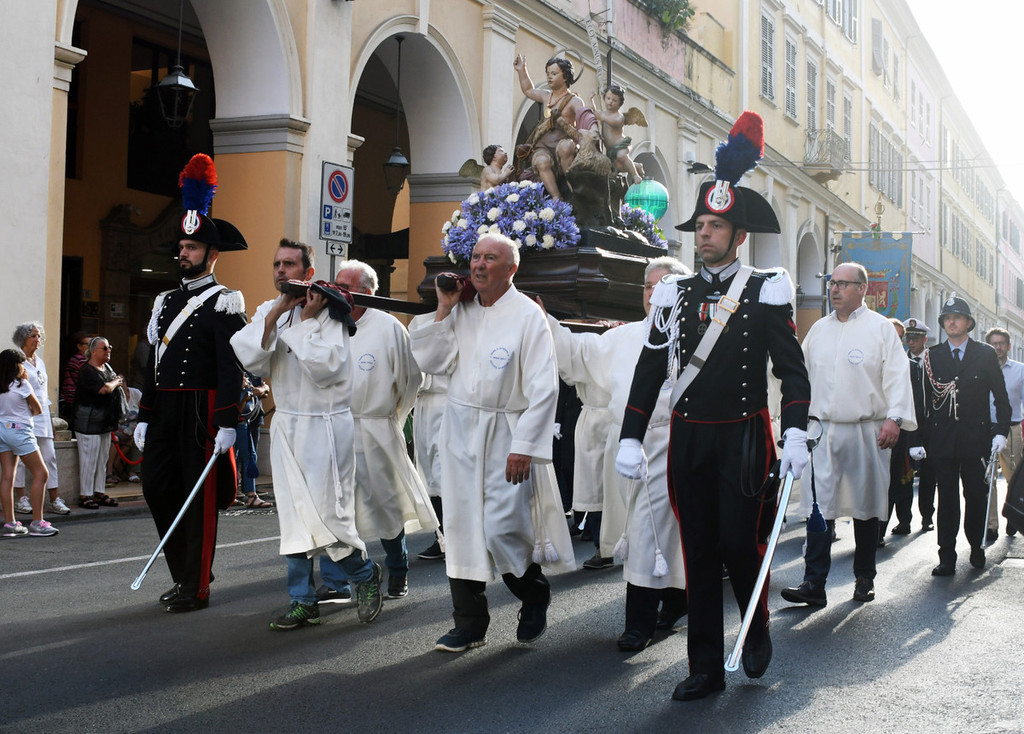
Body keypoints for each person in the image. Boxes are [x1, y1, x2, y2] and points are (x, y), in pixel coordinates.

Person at [616, 111, 811, 701]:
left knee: (738, 543)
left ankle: (754, 629)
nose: (703, 234)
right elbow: (651, 366)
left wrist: (796, 430)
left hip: (746, 437)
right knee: (698, 547)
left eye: (715, 226)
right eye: (699, 224)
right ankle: (702, 663)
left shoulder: (765, 286)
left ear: (737, 235)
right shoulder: (672, 291)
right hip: (689, 436)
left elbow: (791, 368)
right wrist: (630, 434)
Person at [410, 233, 575, 653]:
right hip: (461, 429)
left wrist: (525, 445)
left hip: (506, 432)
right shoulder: (460, 309)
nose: (479, 265)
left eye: (490, 258)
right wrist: (444, 308)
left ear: (511, 269)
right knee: (461, 527)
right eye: (475, 257)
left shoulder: (527, 316)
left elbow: (544, 388)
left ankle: (533, 593)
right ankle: (469, 624)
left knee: (504, 528)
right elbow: (430, 361)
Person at [231, 239, 384, 630]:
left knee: (329, 515)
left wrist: (306, 322)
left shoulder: (332, 312)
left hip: (325, 425)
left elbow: (328, 367)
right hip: (286, 425)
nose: (281, 271)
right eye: (277, 264)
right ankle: (302, 600)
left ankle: (364, 575)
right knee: (293, 517)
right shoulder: (271, 309)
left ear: (308, 272)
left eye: (290, 264)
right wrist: (277, 317)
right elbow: (252, 358)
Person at [543, 255, 691, 651]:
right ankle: (639, 623)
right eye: (648, 286)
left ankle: (677, 602)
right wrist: (542, 321)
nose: (653, 294)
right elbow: (578, 355)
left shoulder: (698, 334)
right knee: (644, 533)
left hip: (688, 445)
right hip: (639, 447)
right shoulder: (623, 338)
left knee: (686, 535)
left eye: (664, 285)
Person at [133, 153, 248, 613]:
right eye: (181, 247)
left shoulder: (225, 302)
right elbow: (149, 362)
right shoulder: (163, 301)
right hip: (164, 411)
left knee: (197, 500)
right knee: (157, 487)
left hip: (202, 410)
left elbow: (229, 367)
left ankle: (195, 587)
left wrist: (227, 422)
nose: (183, 253)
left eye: (192, 248)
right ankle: (186, 570)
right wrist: (143, 414)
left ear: (211, 255)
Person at [780, 263, 916, 607]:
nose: (834, 289)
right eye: (831, 283)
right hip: (822, 431)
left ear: (862, 289)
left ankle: (864, 577)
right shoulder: (819, 331)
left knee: (865, 505)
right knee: (818, 505)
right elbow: (798, 378)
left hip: (866, 431)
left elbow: (898, 376)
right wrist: (792, 423)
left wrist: (894, 419)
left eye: (843, 283)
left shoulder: (881, 330)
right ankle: (814, 582)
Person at [333, 260, 437, 600]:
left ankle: (398, 568)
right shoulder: (329, 322)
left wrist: (393, 415)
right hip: (338, 427)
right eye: (336, 285)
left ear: (368, 292)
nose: (338, 292)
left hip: (377, 426)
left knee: (387, 502)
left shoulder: (390, 327)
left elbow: (411, 378)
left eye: (346, 287)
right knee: (339, 505)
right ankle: (353, 576)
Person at [915, 296, 1010, 575]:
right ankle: (946, 555)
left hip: (976, 439)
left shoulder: (984, 354)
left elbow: (1001, 399)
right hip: (942, 440)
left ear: (969, 323)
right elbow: (921, 403)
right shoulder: (932, 356)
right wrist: (917, 441)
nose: (951, 322)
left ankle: (976, 546)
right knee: (946, 499)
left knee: (977, 496)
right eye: (946, 318)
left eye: (957, 317)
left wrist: (1001, 432)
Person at [11, 323, 70, 517]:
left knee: (49, 457)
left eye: (38, 336)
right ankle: (21, 499)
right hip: (23, 415)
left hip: (43, 415)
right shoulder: (16, 361)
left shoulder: (40, 362)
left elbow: (43, 393)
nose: (37, 340)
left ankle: (54, 499)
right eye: (33, 336)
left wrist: (51, 419)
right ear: (23, 339)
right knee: (19, 460)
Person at [513, 54, 590, 200]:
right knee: (542, 161)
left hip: (563, 145)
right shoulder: (545, 96)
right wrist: (522, 70)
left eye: (554, 74)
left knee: (566, 147)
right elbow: (528, 90)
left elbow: (583, 125)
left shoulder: (575, 101)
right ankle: (556, 197)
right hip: (543, 147)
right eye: (548, 73)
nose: (549, 77)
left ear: (566, 76)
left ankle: (573, 189)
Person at [0, 348, 57, 537]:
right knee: (41, 473)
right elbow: (38, 408)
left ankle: (10, 523)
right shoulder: (21, 384)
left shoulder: (1, 385)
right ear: (17, 365)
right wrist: (26, 414)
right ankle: (37, 522)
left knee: (7, 476)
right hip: (20, 430)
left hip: (2, 429)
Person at [73, 336, 127, 512]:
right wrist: (117, 381)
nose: (109, 350)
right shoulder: (87, 371)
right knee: (89, 459)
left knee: (102, 459)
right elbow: (103, 389)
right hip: (89, 423)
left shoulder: (106, 368)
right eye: (105, 348)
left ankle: (99, 492)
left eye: (109, 347)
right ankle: (85, 495)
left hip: (105, 422)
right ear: (94, 350)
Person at [408, 328, 448, 562]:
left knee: (444, 476)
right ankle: (441, 535)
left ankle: (450, 535)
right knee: (430, 476)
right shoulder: (422, 325)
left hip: (445, 407)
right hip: (425, 408)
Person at [984, 327, 1022, 537]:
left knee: (1013, 478)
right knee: (988, 479)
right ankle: (991, 526)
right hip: (987, 429)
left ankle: (1012, 515)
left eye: (1001, 343)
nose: (997, 347)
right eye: (993, 343)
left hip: (1012, 429)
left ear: (1008, 346)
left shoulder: (1020, 370)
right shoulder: (980, 370)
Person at [882, 318, 917, 541]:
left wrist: (917, 441)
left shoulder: (911, 366)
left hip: (903, 434)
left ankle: (904, 519)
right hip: (876, 431)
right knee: (879, 485)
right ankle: (877, 530)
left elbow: (918, 404)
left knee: (901, 481)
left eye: (897, 336)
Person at [904, 317, 935, 531]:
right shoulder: (900, 361)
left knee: (928, 475)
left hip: (929, 425)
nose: (911, 341)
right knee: (904, 474)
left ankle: (927, 516)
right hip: (908, 425)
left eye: (915, 337)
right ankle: (904, 520)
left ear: (924, 339)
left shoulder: (934, 361)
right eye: (908, 337)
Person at [232, 370, 272, 508]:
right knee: (247, 455)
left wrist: (257, 390)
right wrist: (257, 391)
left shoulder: (254, 367)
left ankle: (238, 493)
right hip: (240, 416)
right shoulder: (235, 364)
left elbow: (265, 390)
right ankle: (250, 495)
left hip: (254, 415)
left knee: (248, 455)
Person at [591, 84, 644, 184]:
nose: (610, 102)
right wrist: (591, 99)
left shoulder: (619, 117)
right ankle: (636, 166)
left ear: (620, 103)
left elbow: (614, 122)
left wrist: (602, 117)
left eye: (614, 100)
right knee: (617, 166)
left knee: (621, 156)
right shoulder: (603, 114)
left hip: (621, 144)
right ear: (604, 98)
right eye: (608, 98)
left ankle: (635, 175)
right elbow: (594, 112)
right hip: (610, 148)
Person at [59, 331, 90, 423]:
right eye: (87, 344)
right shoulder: (79, 359)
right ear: (79, 346)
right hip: (74, 399)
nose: (90, 347)